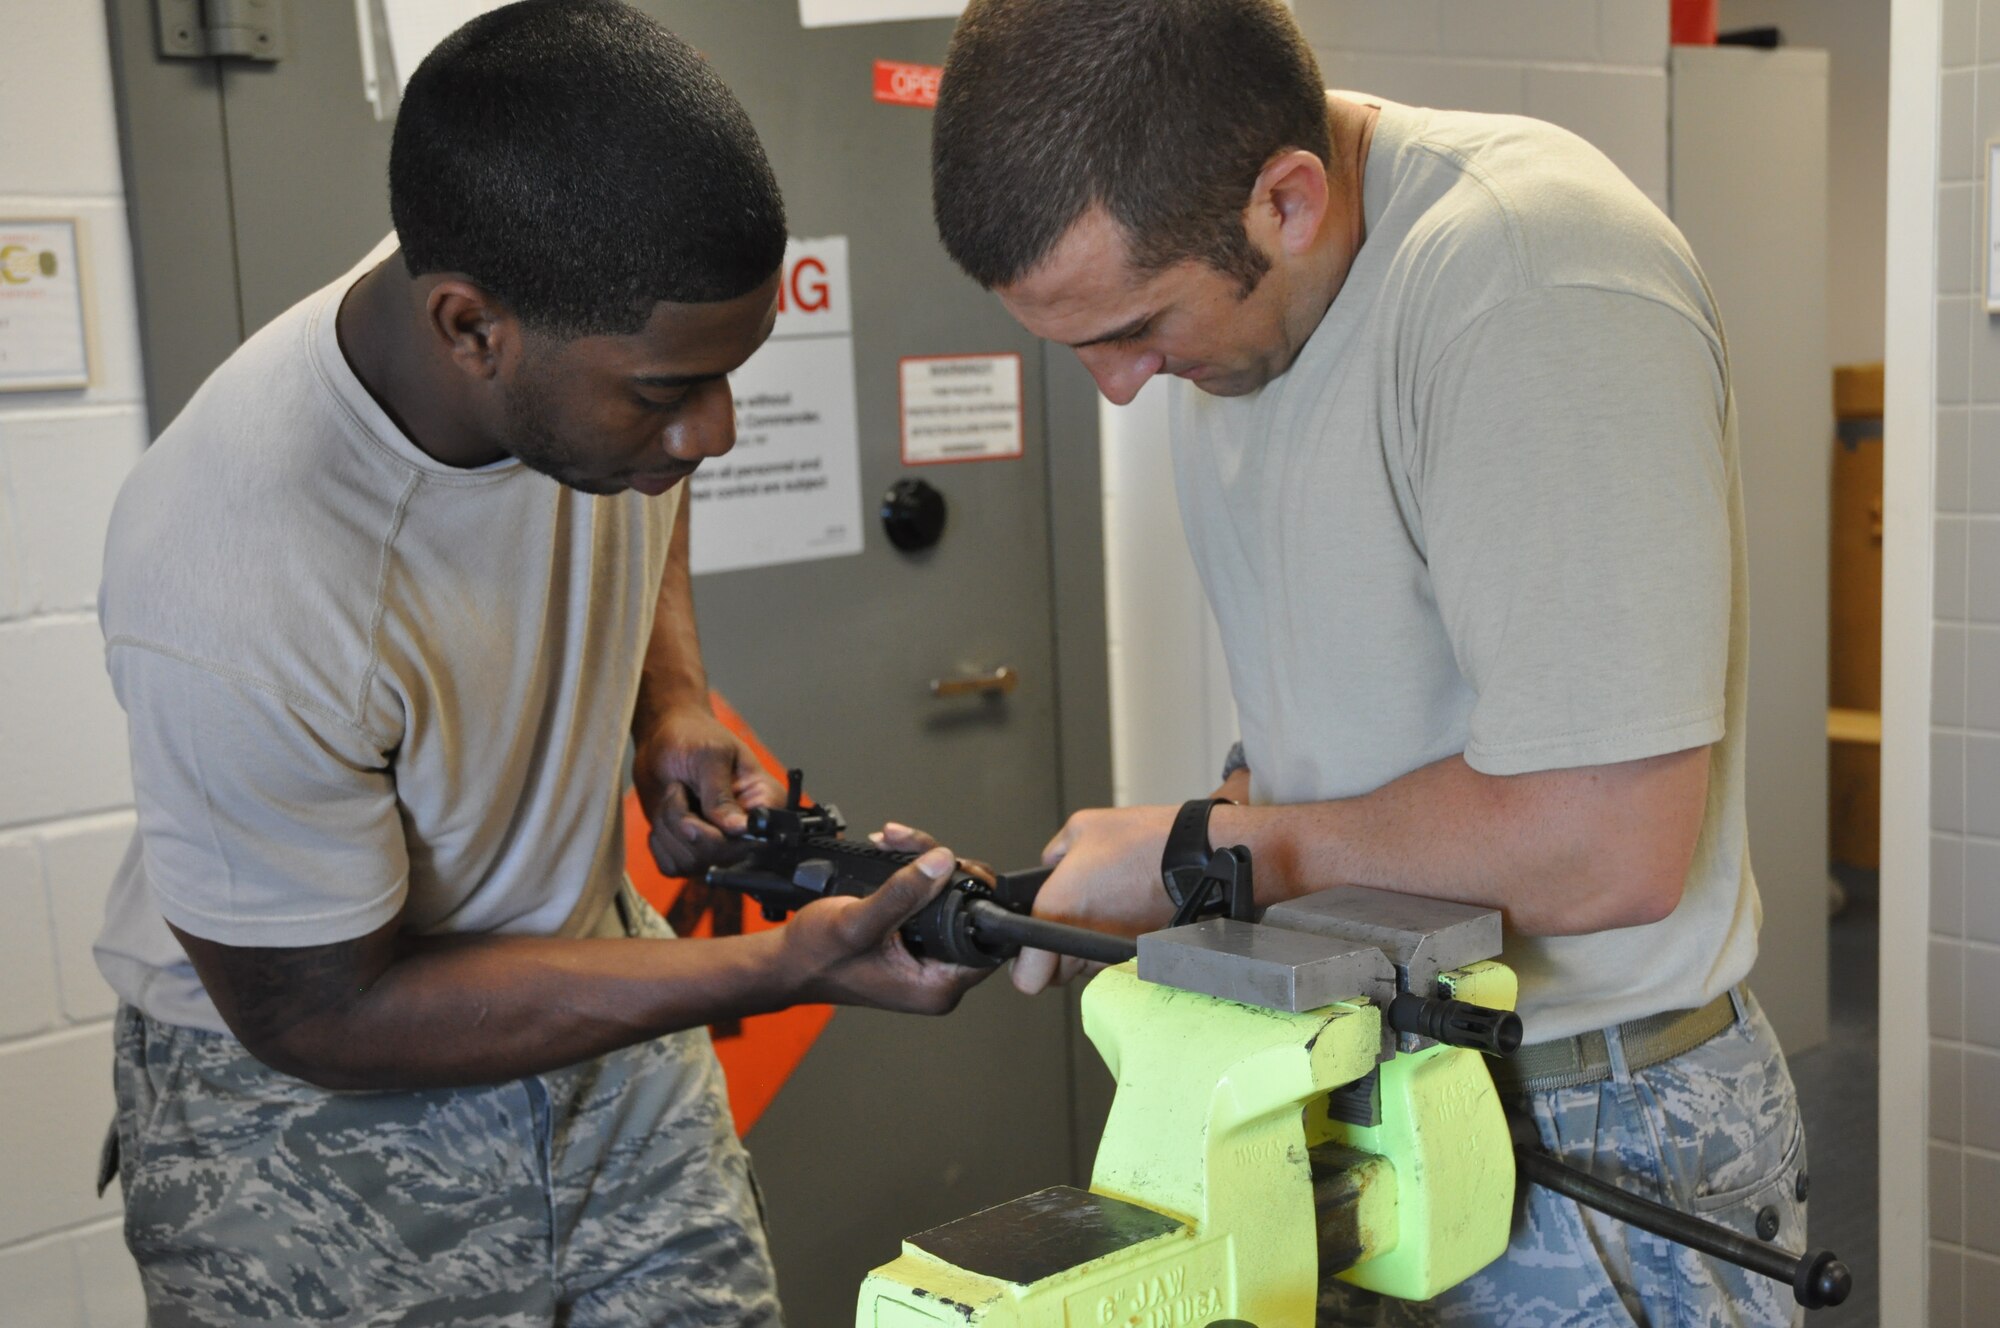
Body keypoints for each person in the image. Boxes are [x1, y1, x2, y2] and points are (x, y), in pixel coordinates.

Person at [92, 3, 983, 1323]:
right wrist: (777, 963)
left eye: (730, 375)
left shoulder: (568, 323)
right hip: (307, 1119)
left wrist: (665, 699)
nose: (716, 433)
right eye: (672, 389)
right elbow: (321, 1016)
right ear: (468, 330)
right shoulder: (233, 567)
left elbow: (646, 486)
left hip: (590, 1012)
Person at [926, 1, 1804, 1324]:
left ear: (1287, 199)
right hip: (1356, 1079)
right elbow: (1328, 727)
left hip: (1588, 1125)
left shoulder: (1532, 277)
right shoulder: (1239, 338)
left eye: (1138, 327)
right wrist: (1164, 869)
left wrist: (1211, 848)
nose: (1118, 386)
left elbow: (1606, 845)